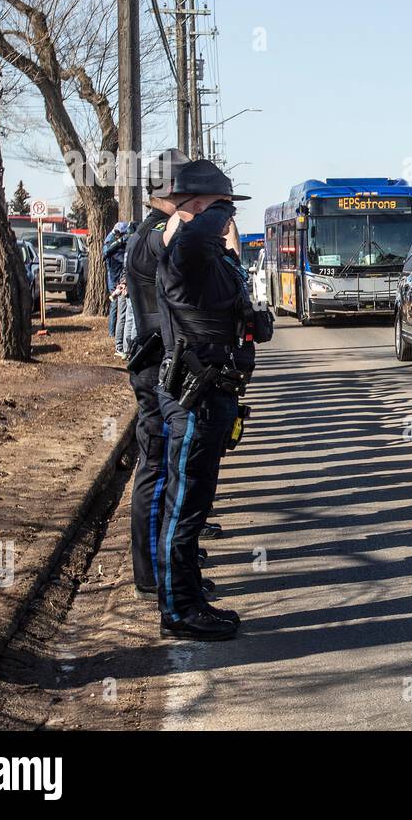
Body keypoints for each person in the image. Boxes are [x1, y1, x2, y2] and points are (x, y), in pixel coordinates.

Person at [154, 159, 271, 641]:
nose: (229, 217)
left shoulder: (210, 256)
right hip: (195, 397)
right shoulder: (183, 251)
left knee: (195, 506)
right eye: (221, 208)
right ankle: (178, 610)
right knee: (184, 508)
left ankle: (190, 597)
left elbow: (232, 295)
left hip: (217, 394)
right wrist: (207, 209)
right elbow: (196, 234)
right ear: (196, 208)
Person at [123, 150, 190, 602]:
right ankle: (151, 570)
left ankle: (166, 559)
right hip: (154, 368)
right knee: (157, 470)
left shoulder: (158, 232)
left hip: (165, 366)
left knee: (167, 467)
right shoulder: (151, 236)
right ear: (167, 192)